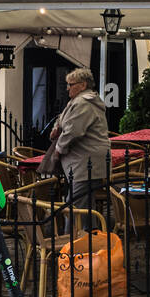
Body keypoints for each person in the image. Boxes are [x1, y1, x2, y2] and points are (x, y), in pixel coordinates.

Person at [48, 67, 112, 219]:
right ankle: (89, 236)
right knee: (84, 205)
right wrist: (56, 127)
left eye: (71, 84)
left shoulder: (83, 102)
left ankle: (74, 239)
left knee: (75, 206)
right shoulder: (77, 101)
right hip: (83, 161)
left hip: (85, 161)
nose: (67, 88)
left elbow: (73, 130)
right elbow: (63, 120)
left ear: (83, 85)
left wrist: (58, 149)